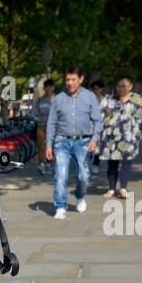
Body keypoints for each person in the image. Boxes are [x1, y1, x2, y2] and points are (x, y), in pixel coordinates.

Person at [44, 65, 102, 219]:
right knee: (60, 175)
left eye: (73, 79)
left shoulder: (90, 97)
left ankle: (80, 195)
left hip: (83, 143)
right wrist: (48, 144)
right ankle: (60, 206)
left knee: (83, 176)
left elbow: (98, 121)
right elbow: (51, 123)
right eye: (67, 79)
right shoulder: (58, 99)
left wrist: (94, 140)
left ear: (81, 79)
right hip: (62, 142)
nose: (69, 83)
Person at [98, 76, 142, 199]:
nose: (121, 88)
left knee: (127, 162)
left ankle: (123, 188)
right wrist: (95, 134)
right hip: (111, 137)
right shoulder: (108, 99)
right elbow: (99, 116)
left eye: (124, 86)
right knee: (112, 163)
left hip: (130, 137)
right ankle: (111, 189)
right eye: (119, 86)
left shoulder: (137, 100)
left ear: (130, 86)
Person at [34, 78, 55, 174]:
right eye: (47, 87)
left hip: (53, 127)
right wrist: (39, 117)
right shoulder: (40, 100)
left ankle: (48, 164)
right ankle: (41, 164)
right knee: (41, 146)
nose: (48, 89)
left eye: (50, 87)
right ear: (44, 88)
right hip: (41, 126)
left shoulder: (56, 100)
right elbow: (35, 112)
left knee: (51, 147)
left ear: (53, 88)